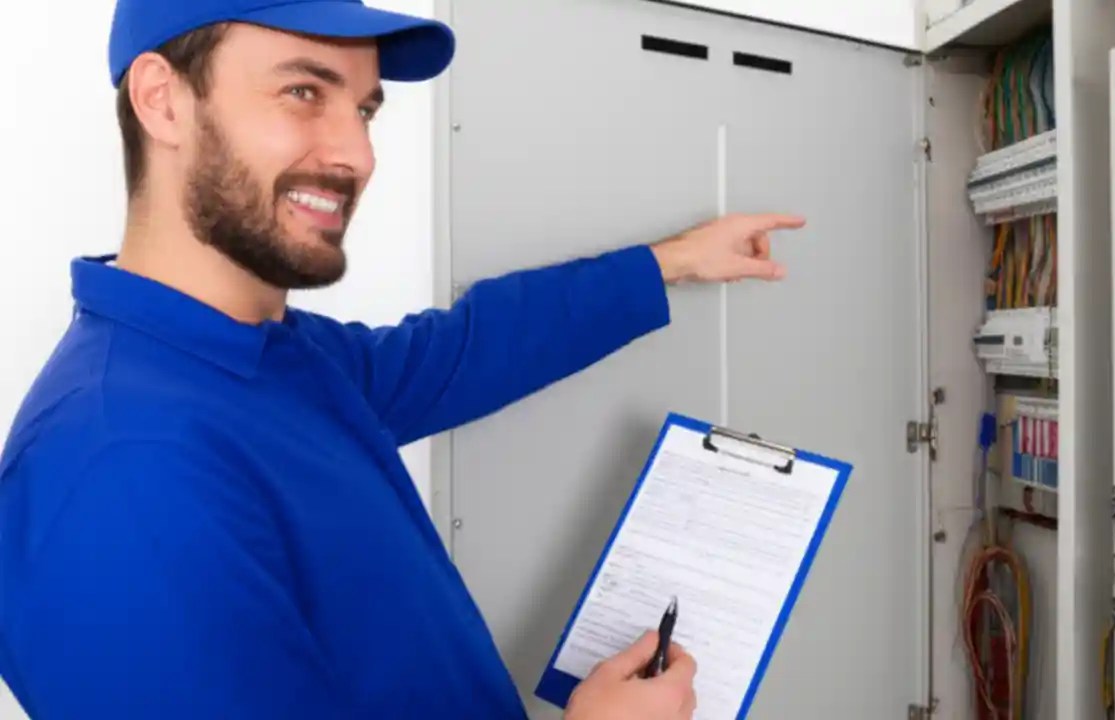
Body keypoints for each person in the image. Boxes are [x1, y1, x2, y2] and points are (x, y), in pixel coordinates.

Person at [0, 1, 805, 718]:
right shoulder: (118, 472)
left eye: (365, 110)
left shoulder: (274, 359)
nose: (357, 154)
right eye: (303, 91)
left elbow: (461, 350)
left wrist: (672, 261)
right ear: (161, 99)